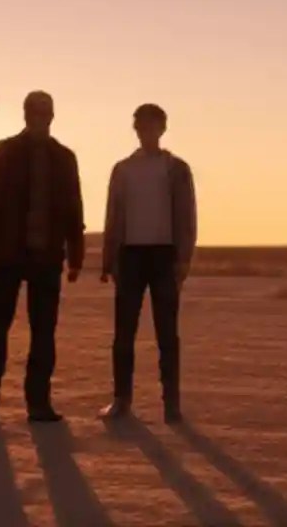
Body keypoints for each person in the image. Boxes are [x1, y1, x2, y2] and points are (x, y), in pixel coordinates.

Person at [0, 90, 85, 426]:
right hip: (8, 254)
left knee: (44, 332)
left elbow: (73, 207)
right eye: (35, 112)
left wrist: (75, 254)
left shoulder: (64, 158)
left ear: (52, 116)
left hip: (47, 257)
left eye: (46, 113)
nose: (41, 118)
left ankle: (38, 404)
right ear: (25, 114)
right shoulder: (4, 152)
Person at [98, 103, 197, 424]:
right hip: (130, 255)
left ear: (162, 128)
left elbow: (187, 216)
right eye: (141, 125)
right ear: (135, 129)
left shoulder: (177, 169)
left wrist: (184, 258)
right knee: (123, 332)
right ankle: (121, 399)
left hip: (164, 255)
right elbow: (112, 215)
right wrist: (108, 258)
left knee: (167, 334)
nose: (146, 131)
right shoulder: (123, 169)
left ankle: (171, 404)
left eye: (152, 125)